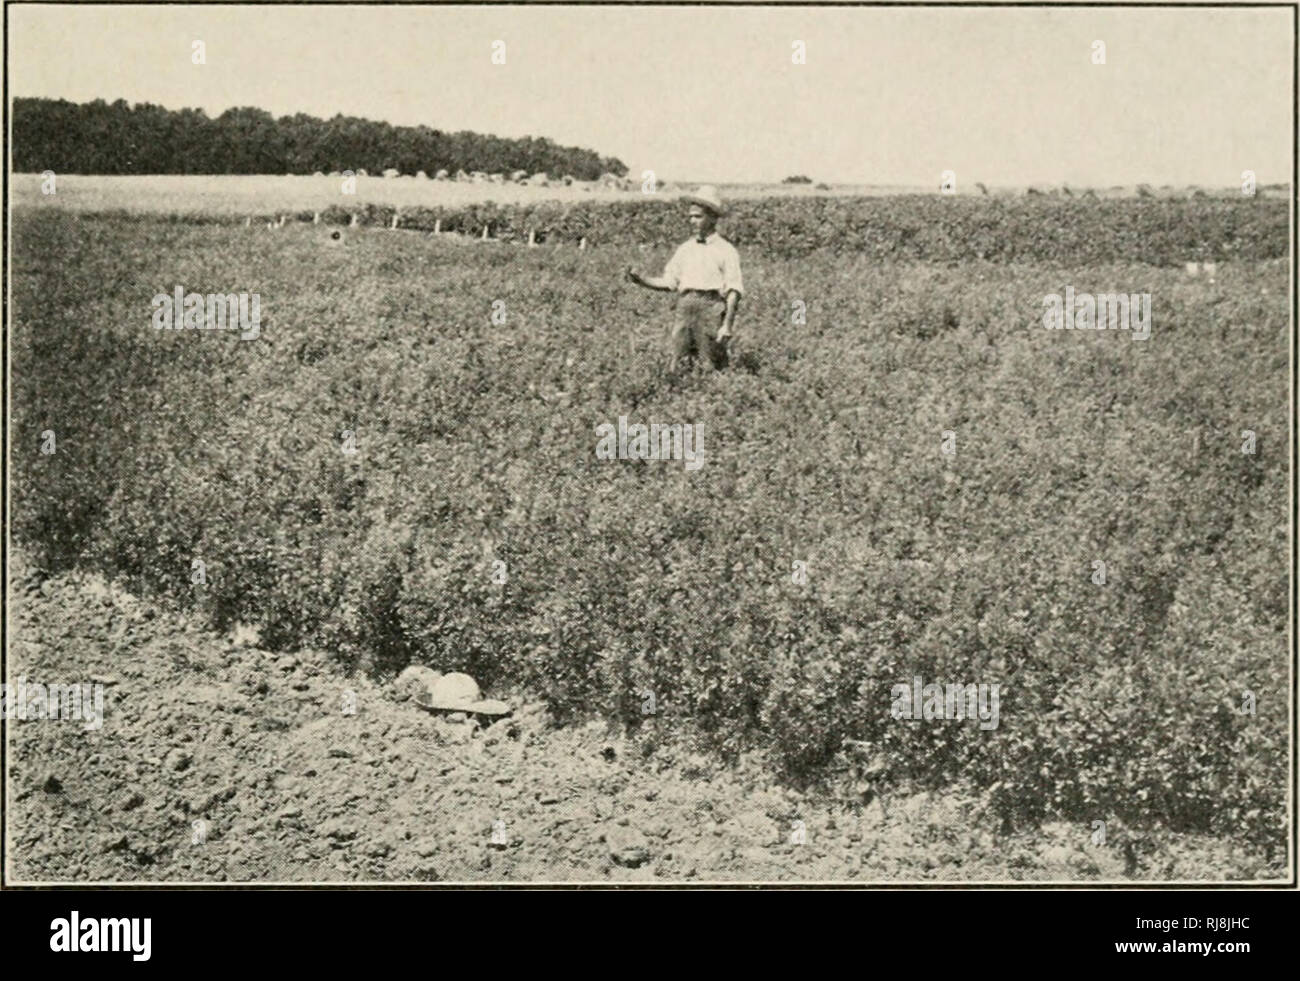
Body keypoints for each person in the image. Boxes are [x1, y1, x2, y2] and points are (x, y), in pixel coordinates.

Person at [625, 185, 743, 371]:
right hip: (685, 308)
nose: (692, 221)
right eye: (690, 217)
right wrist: (641, 279)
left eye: (698, 216)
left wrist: (726, 326)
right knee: (678, 362)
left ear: (712, 218)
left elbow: (733, 291)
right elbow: (670, 282)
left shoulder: (726, 251)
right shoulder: (685, 249)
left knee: (710, 362)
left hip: (710, 308)